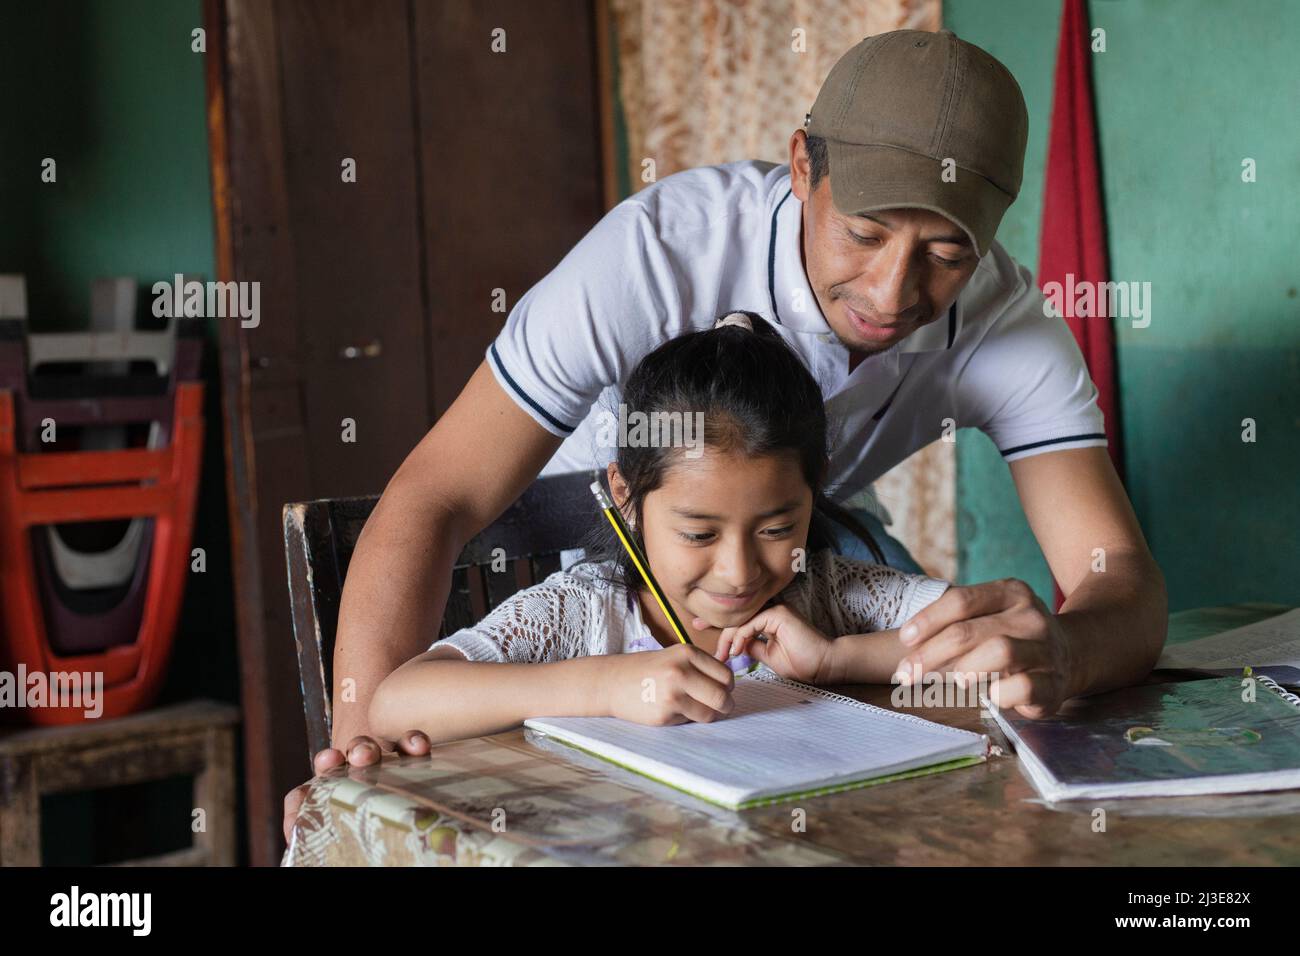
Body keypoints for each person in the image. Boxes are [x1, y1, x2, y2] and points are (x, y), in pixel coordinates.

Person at [283, 29, 1167, 842]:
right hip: (618, 603)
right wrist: (356, 755)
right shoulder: (656, 256)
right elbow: (441, 493)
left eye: (946, 253)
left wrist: (1065, 651)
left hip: (806, 571)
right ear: (799, 167)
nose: (894, 292)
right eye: (863, 233)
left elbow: (1116, 580)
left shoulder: (1006, 326)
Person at [369, 312, 951, 743]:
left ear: (814, 486)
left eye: (776, 528)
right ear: (625, 495)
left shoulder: (826, 593)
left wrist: (837, 660)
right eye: (699, 534)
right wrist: (608, 686)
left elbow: (997, 645)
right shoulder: (588, 615)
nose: (740, 571)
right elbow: (396, 703)